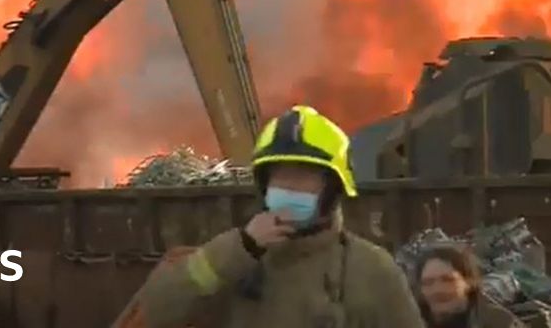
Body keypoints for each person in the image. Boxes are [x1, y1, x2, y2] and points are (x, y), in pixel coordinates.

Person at [129, 105, 425, 328]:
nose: (288, 187)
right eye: (279, 176)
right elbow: (155, 312)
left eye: (303, 176)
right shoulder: (231, 258)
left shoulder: (373, 270)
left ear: (333, 188)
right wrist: (242, 248)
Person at [412, 245, 526, 328]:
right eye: (428, 282)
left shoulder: (498, 322)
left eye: (448, 280)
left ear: (469, 282)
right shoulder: (407, 321)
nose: (438, 290)